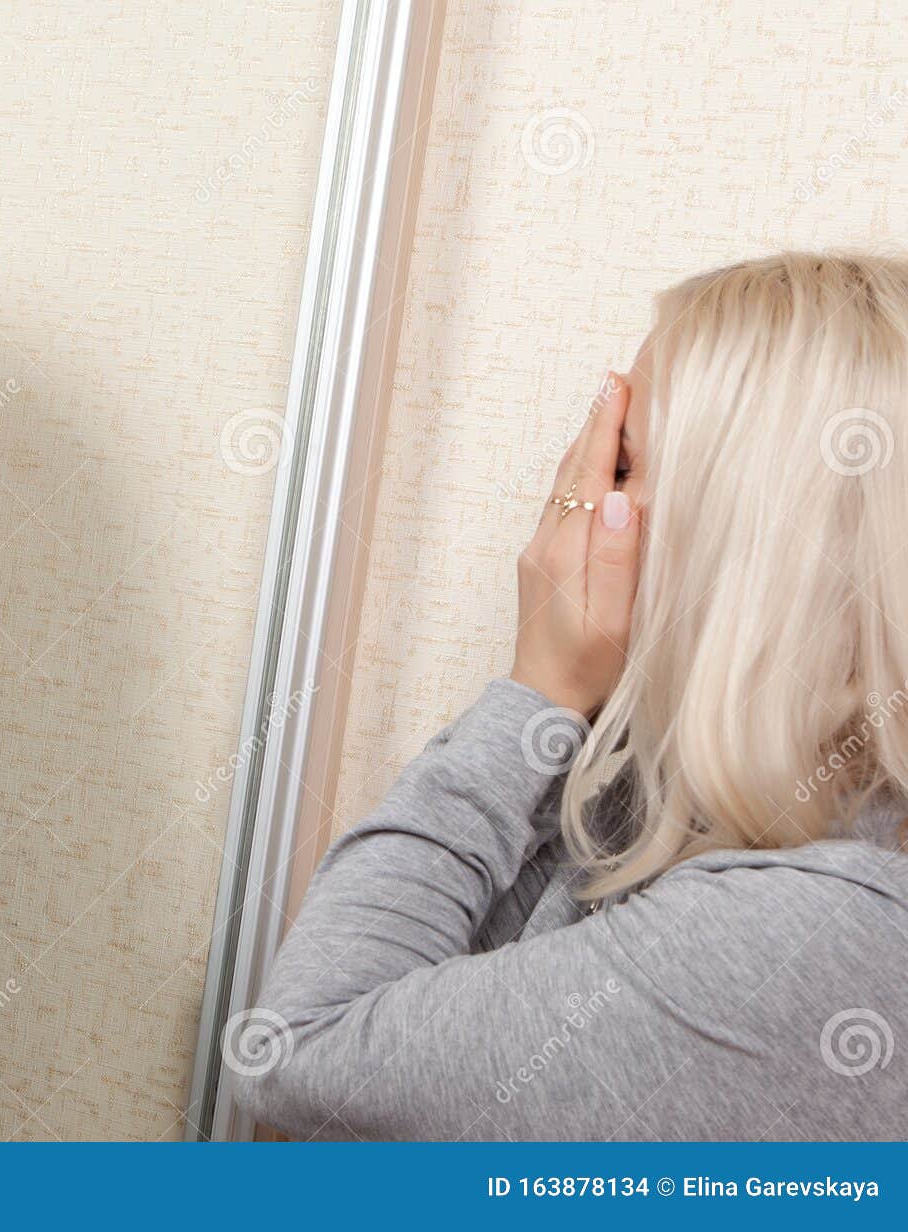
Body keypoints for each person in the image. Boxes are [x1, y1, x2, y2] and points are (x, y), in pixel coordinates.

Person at [234, 253, 908, 1140]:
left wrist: (537, 688)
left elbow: (297, 1059)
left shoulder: (811, 937)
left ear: (744, 531)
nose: (576, 510)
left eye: (620, 465)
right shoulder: (676, 816)